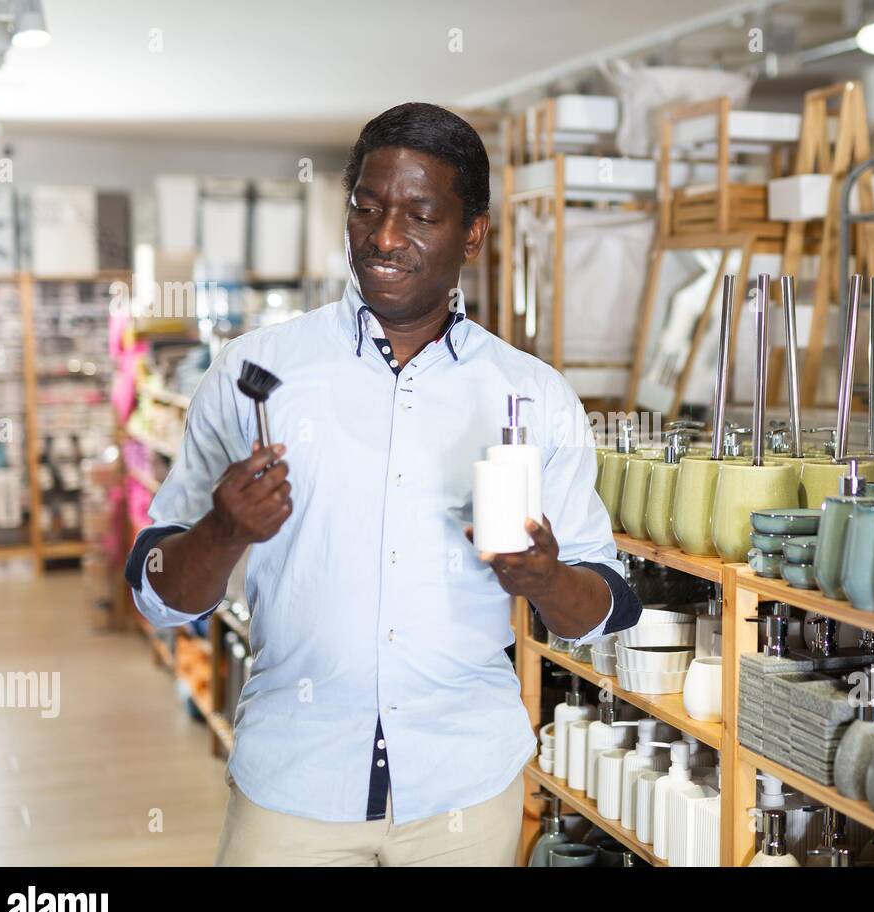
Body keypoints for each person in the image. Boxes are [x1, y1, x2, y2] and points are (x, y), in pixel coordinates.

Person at [126, 102, 640, 866]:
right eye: (366, 208)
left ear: (474, 232)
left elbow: (606, 610)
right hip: (294, 788)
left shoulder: (532, 395)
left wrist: (543, 576)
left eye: (419, 215)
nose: (384, 237)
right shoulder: (255, 374)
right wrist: (224, 530)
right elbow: (156, 591)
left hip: (462, 793)